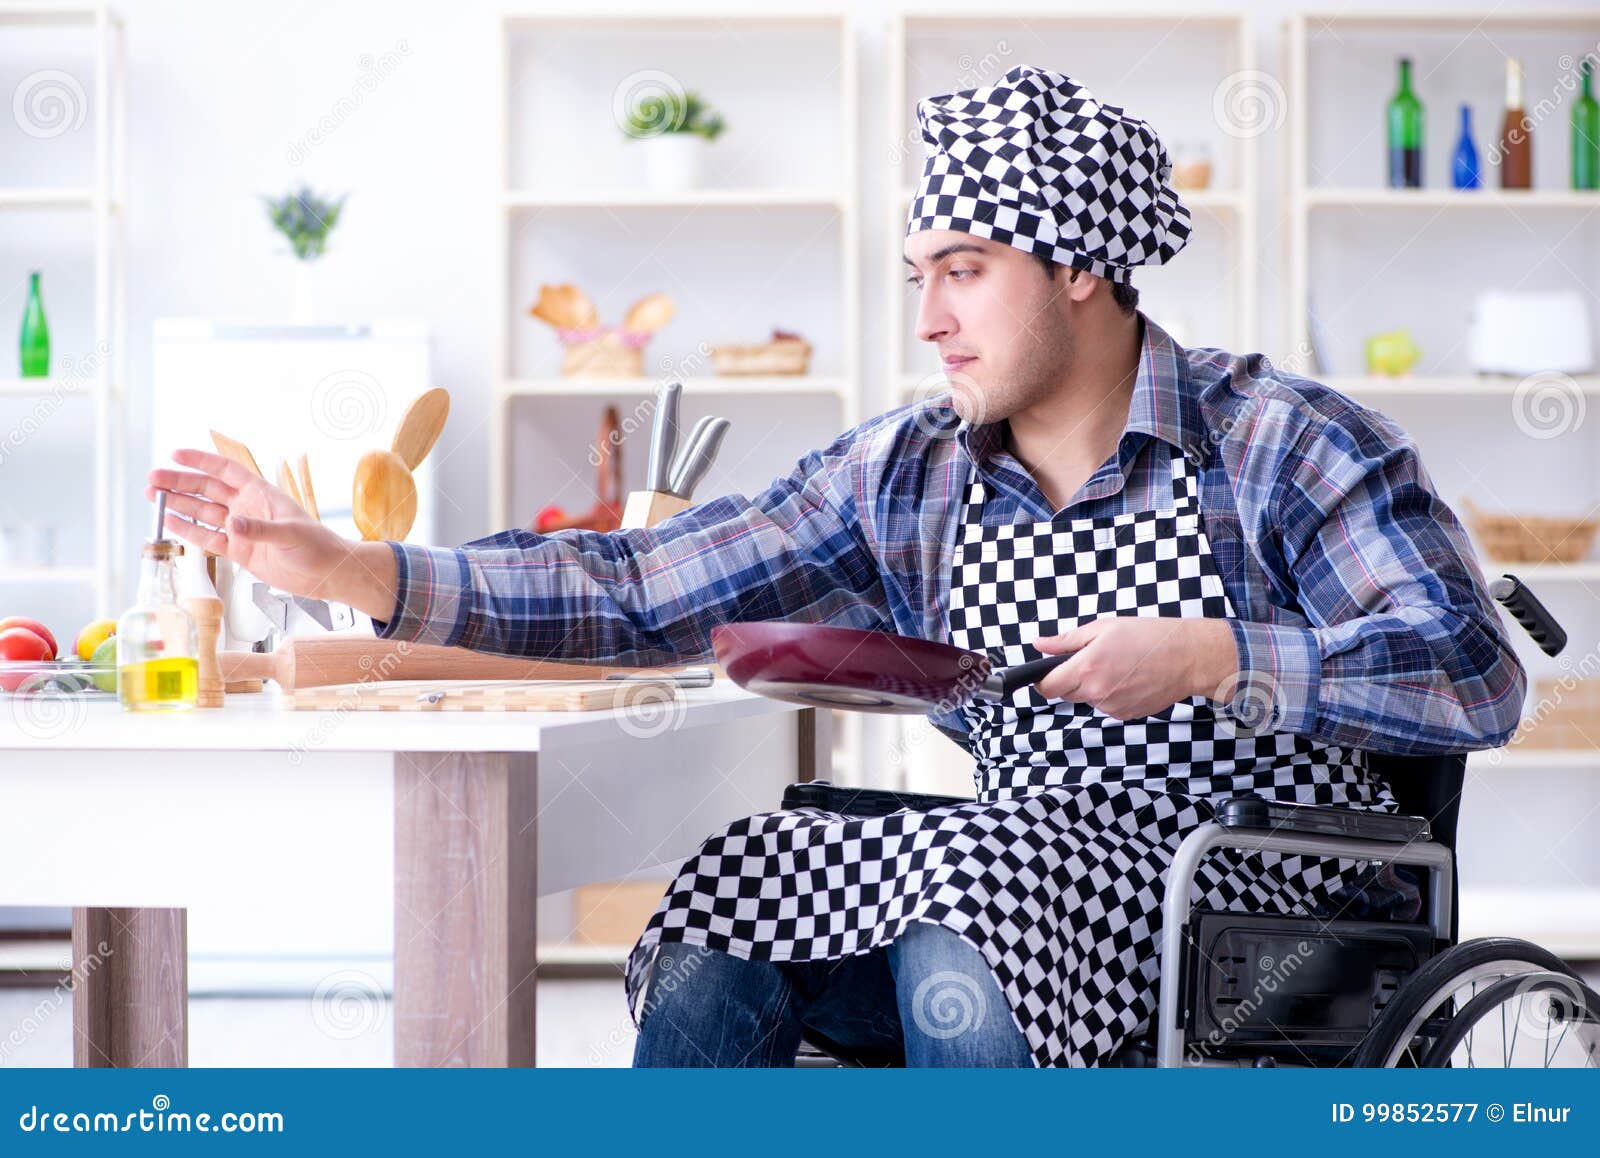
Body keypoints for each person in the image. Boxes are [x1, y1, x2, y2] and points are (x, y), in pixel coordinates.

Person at [147, 66, 1526, 1068]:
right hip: (1035, 889)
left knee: (961, 906)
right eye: (919, 272)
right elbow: (645, 585)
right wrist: (353, 562)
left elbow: (1472, 672)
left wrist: (1218, 657)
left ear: (1083, 270)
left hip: (1263, 917)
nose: (927, 316)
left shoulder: (1280, 443)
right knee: (733, 896)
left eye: (965, 271)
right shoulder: (908, 475)